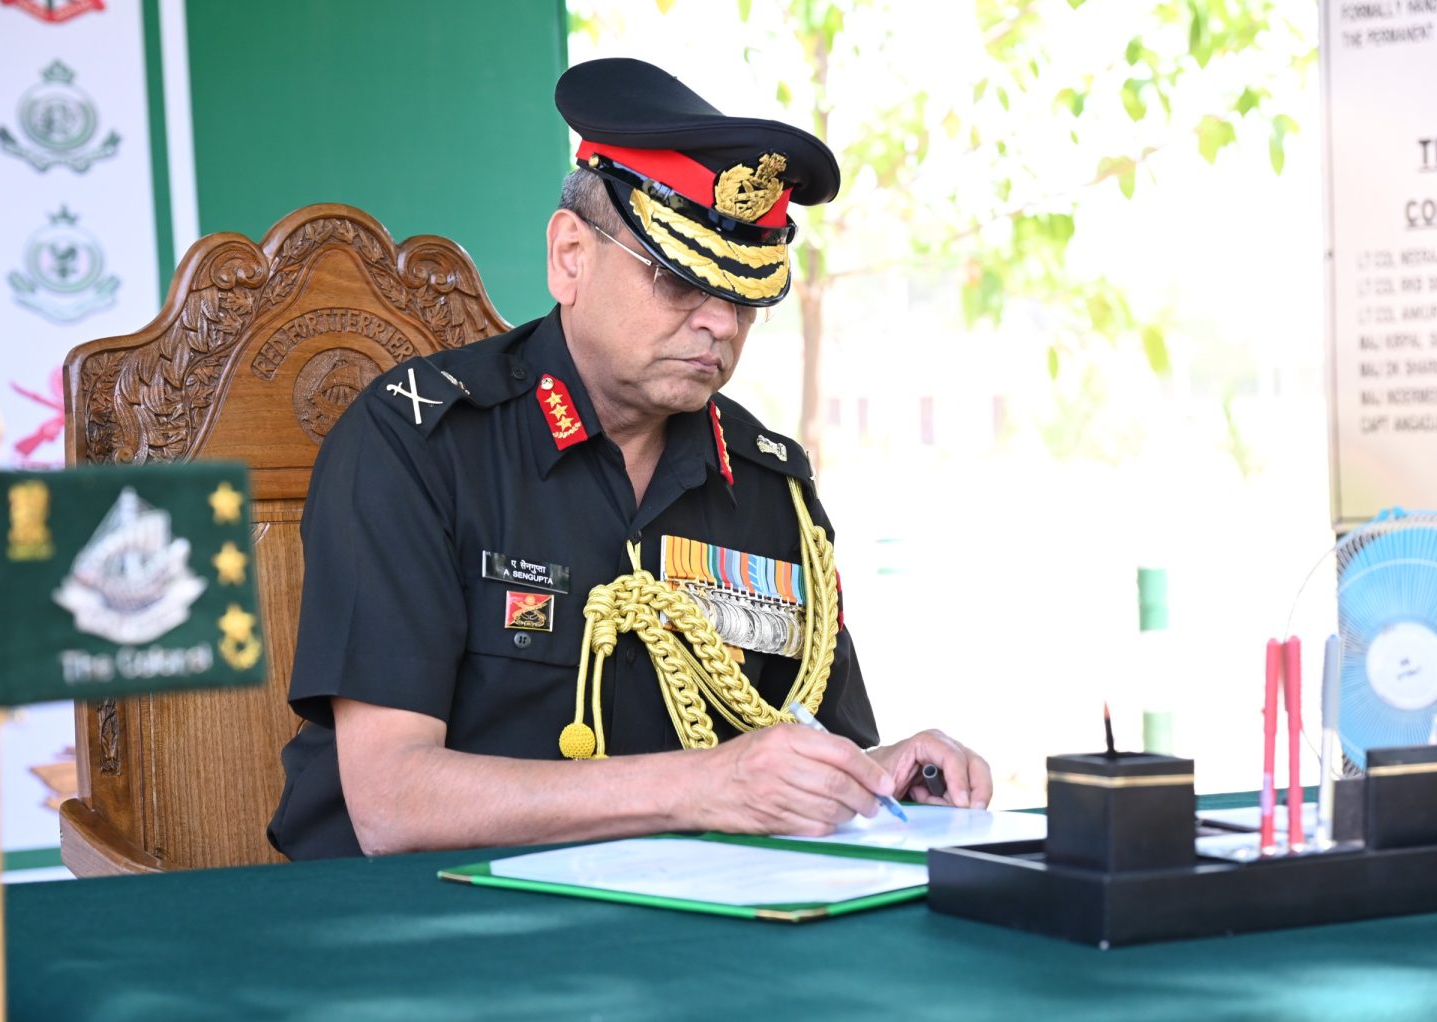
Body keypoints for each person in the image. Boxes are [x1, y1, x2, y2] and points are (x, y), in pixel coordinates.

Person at [267, 57, 992, 860]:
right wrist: (702, 785)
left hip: (683, 926)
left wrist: (880, 773)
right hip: (424, 932)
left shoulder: (768, 486)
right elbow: (394, 805)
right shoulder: (419, 444)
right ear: (571, 257)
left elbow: (801, 740)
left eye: (744, 298)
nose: (719, 325)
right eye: (680, 283)